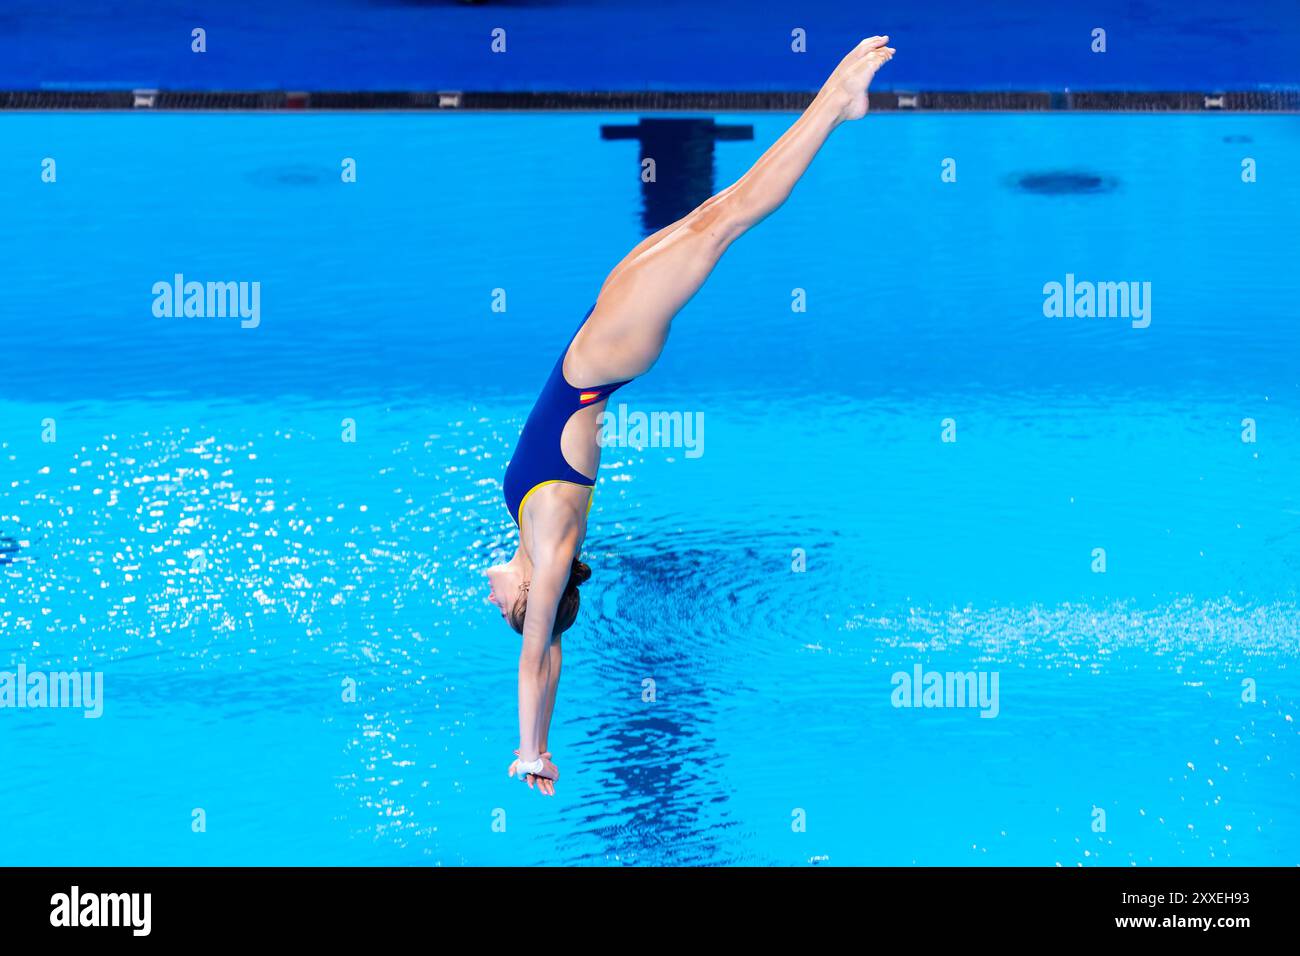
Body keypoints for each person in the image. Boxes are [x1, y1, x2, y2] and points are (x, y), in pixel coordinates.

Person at [486, 36, 897, 795]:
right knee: (728, 216)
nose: (492, 599)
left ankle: (837, 103)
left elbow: (548, 645)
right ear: (522, 600)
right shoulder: (546, 550)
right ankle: (836, 103)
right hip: (605, 356)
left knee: (717, 214)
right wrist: (531, 747)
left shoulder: (538, 533)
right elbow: (538, 653)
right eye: (504, 607)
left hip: (599, 344)